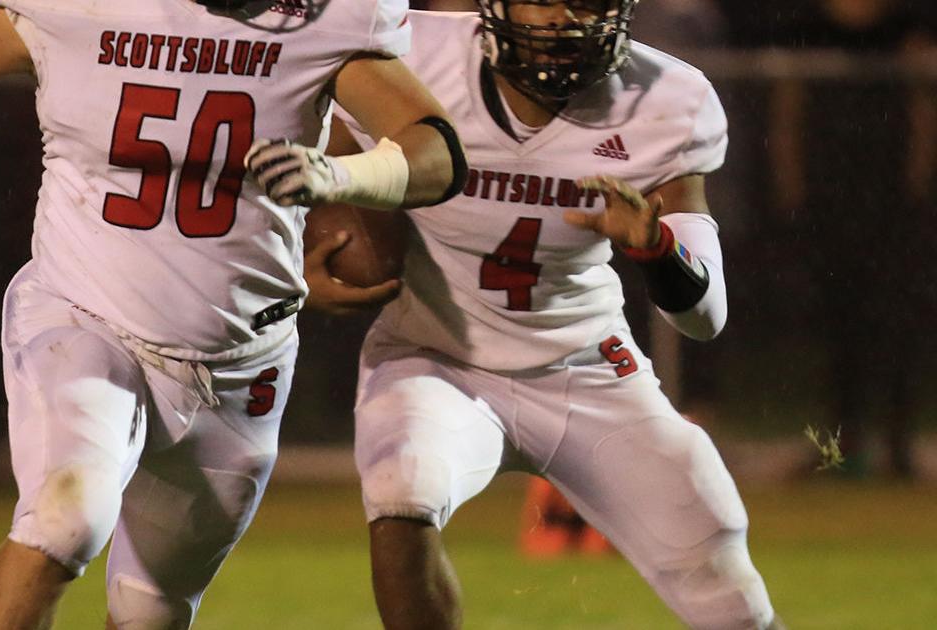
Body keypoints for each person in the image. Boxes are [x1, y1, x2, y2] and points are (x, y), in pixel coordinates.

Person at [0, 0, 466, 627]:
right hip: (84, 316)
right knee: (65, 519)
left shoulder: (321, 18)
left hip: (242, 366)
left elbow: (437, 151)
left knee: (151, 610)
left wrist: (342, 175)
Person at [305, 1, 784, 627]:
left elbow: (704, 317)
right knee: (402, 489)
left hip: (583, 363)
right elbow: (325, 166)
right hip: (436, 353)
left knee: (724, 578)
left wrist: (656, 248)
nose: (562, 17)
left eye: (585, 0)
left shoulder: (669, 98)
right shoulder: (409, 52)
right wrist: (298, 256)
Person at [768, 0, 936, 478]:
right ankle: (841, 451)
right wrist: (792, 186)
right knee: (839, 328)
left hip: (890, 199)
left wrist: (917, 185)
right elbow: (788, 110)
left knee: (899, 325)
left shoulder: (906, 27)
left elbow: (922, 113)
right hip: (830, 200)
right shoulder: (809, 27)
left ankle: (899, 449)